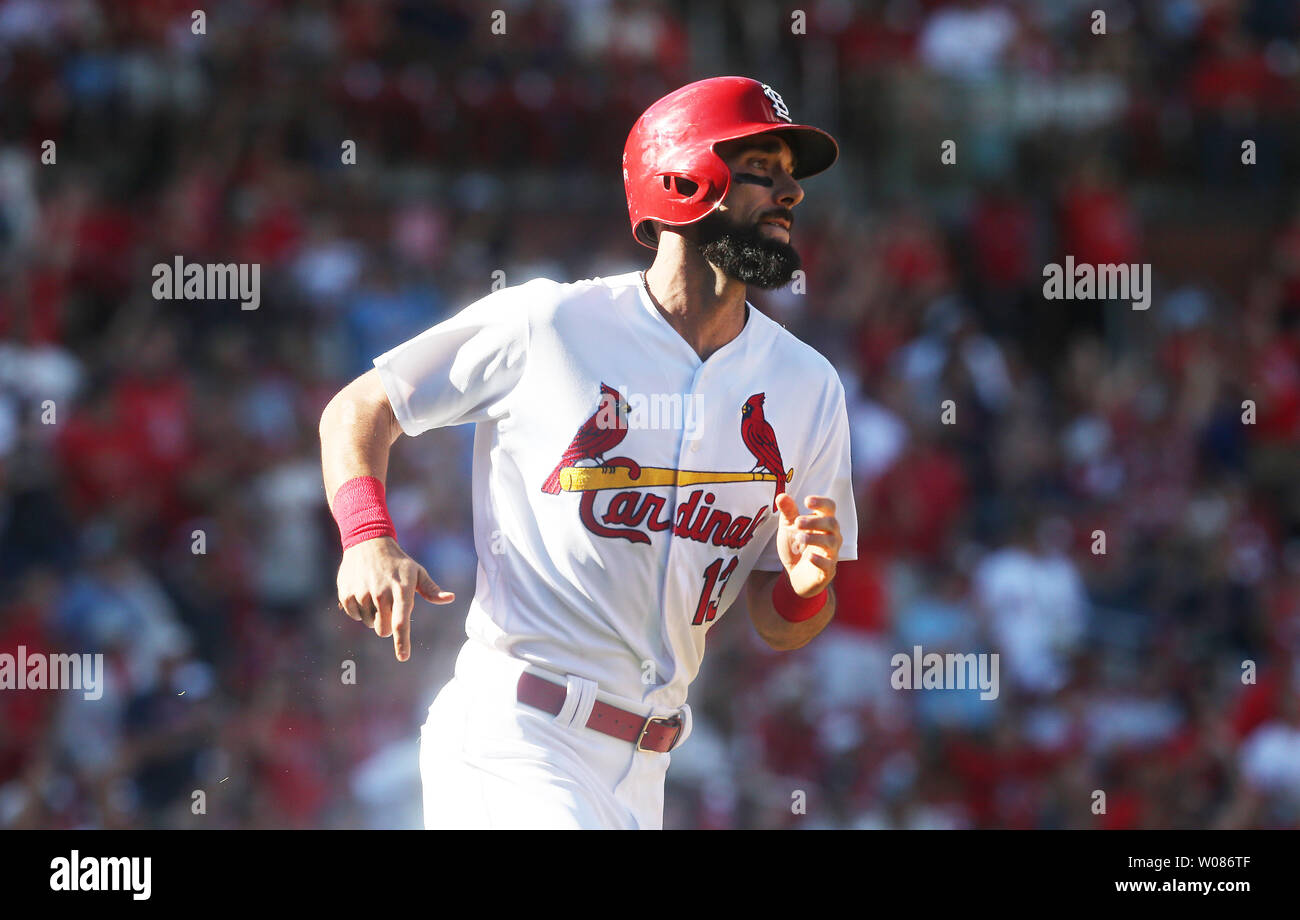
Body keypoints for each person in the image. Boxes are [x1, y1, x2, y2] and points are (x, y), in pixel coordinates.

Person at [318, 76, 858, 829]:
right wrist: (367, 537)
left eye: (793, 177)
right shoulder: (552, 323)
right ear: (682, 176)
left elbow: (780, 617)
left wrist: (804, 584)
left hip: (647, 769)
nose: (791, 194)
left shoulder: (807, 386)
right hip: (516, 738)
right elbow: (361, 407)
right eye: (764, 167)